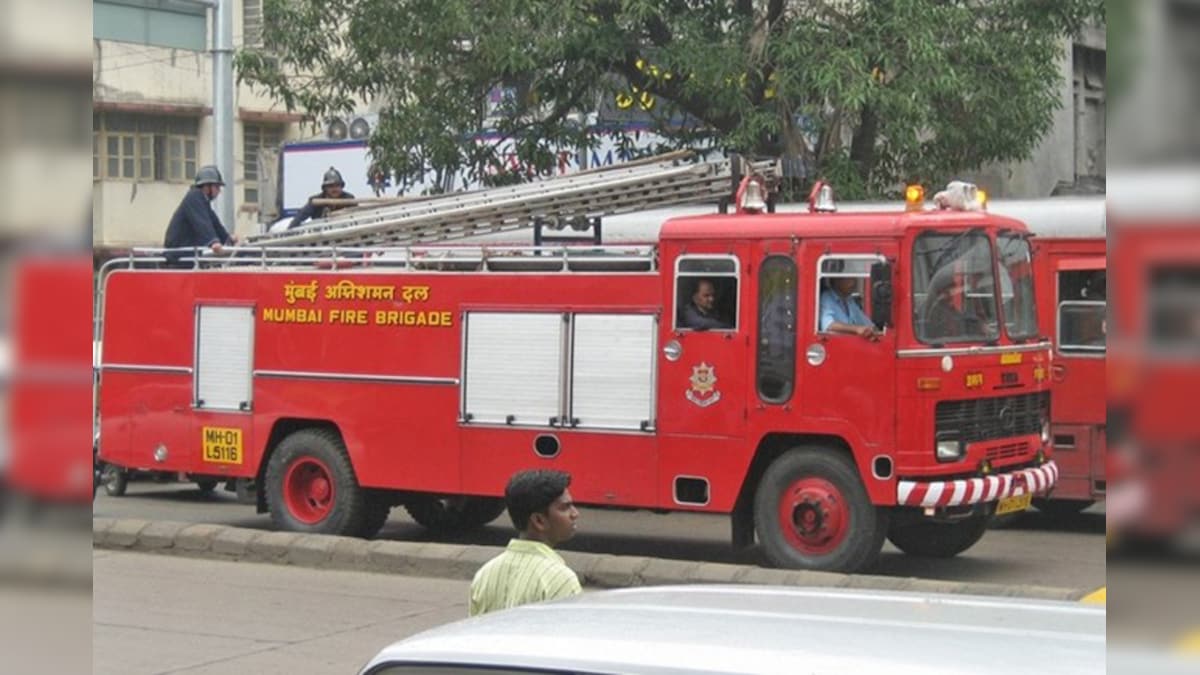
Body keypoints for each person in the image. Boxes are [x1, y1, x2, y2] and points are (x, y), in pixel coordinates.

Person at [469, 469, 582, 617]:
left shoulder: (484, 575)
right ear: (539, 521)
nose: (575, 513)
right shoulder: (560, 580)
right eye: (565, 507)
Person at [163, 165, 236, 267]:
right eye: (217, 187)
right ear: (206, 187)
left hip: (188, 255)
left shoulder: (203, 202)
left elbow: (214, 223)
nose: (219, 191)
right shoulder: (194, 197)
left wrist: (228, 239)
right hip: (179, 256)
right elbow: (202, 223)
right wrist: (213, 242)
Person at [287, 167, 356, 229]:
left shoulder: (349, 199)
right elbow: (300, 217)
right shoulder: (315, 201)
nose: (335, 189)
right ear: (325, 188)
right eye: (331, 186)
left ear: (341, 186)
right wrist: (289, 230)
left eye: (337, 185)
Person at [819, 276, 879, 340]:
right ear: (837, 281)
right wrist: (856, 329)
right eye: (850, 278)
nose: (854, 282)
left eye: (855, 278)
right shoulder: (826, 298)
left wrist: (873, 330)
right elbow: (828, 325)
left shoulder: (849, 300)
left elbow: (867, 323)